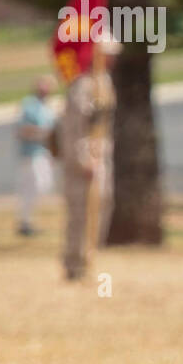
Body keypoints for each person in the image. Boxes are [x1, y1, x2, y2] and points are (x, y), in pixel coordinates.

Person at [61, 38, 120, 281]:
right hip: (83, 160)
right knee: (80, 212)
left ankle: (90, 256)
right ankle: (74, 264)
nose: (112, 58)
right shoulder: (83, 86)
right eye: (108, 54)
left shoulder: (104, 82)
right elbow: (73, 129)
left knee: (102, 205)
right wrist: (83, 160)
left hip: (102, 156)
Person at [15, 75, 57, 236]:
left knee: (43, 186)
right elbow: (22, 129)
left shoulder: (48, 108)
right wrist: (42, 133)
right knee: (32, 187)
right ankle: (25, 223)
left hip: (44, 153)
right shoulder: (29, 105)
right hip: (30, 153)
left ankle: (27, 221)